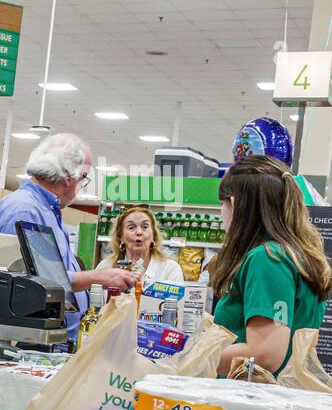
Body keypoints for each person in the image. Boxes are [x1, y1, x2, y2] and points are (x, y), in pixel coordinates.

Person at [0, 133, 137, 340]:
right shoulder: (25, 210)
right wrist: (98, 277)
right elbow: (30, 282)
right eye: (84, 177)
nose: (82, 185)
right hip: (30, 342)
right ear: (68, 176)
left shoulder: (47, 210)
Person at [212, 154, 331, 376]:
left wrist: (197, 358)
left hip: (247, 401)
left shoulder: (268, 259)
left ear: (235, 203)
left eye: (222, 202)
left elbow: (264, 355)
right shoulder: (295, 255)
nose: (222, 211)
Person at [96, 203, 185, 285]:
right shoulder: (105, 267)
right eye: (131, 227)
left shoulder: (170, 269)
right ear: (120, 236)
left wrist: (143, 285)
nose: (139, 232)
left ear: (153, 235)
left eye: (145, 227)